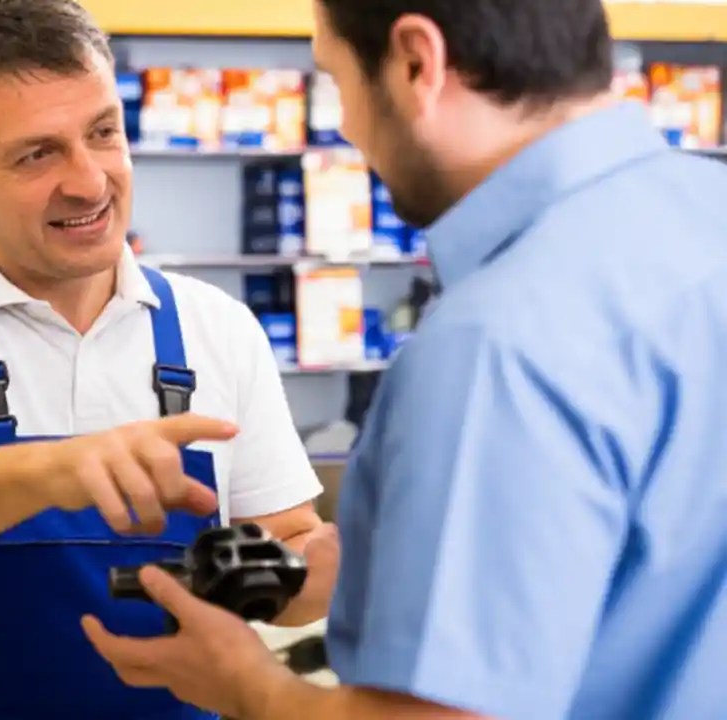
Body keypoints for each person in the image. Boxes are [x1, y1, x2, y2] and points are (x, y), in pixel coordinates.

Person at [86, 0, 727, 719]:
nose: (348, 127)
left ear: (417, 63)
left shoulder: (494, 344)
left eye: (338, 82)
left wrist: (248, 686)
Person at [0, 1, 337, 717]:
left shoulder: (219, 329)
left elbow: (292, 550)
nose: (89, 182)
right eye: (37, 153)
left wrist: (322, 573)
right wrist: (52, 469)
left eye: (103, 133)